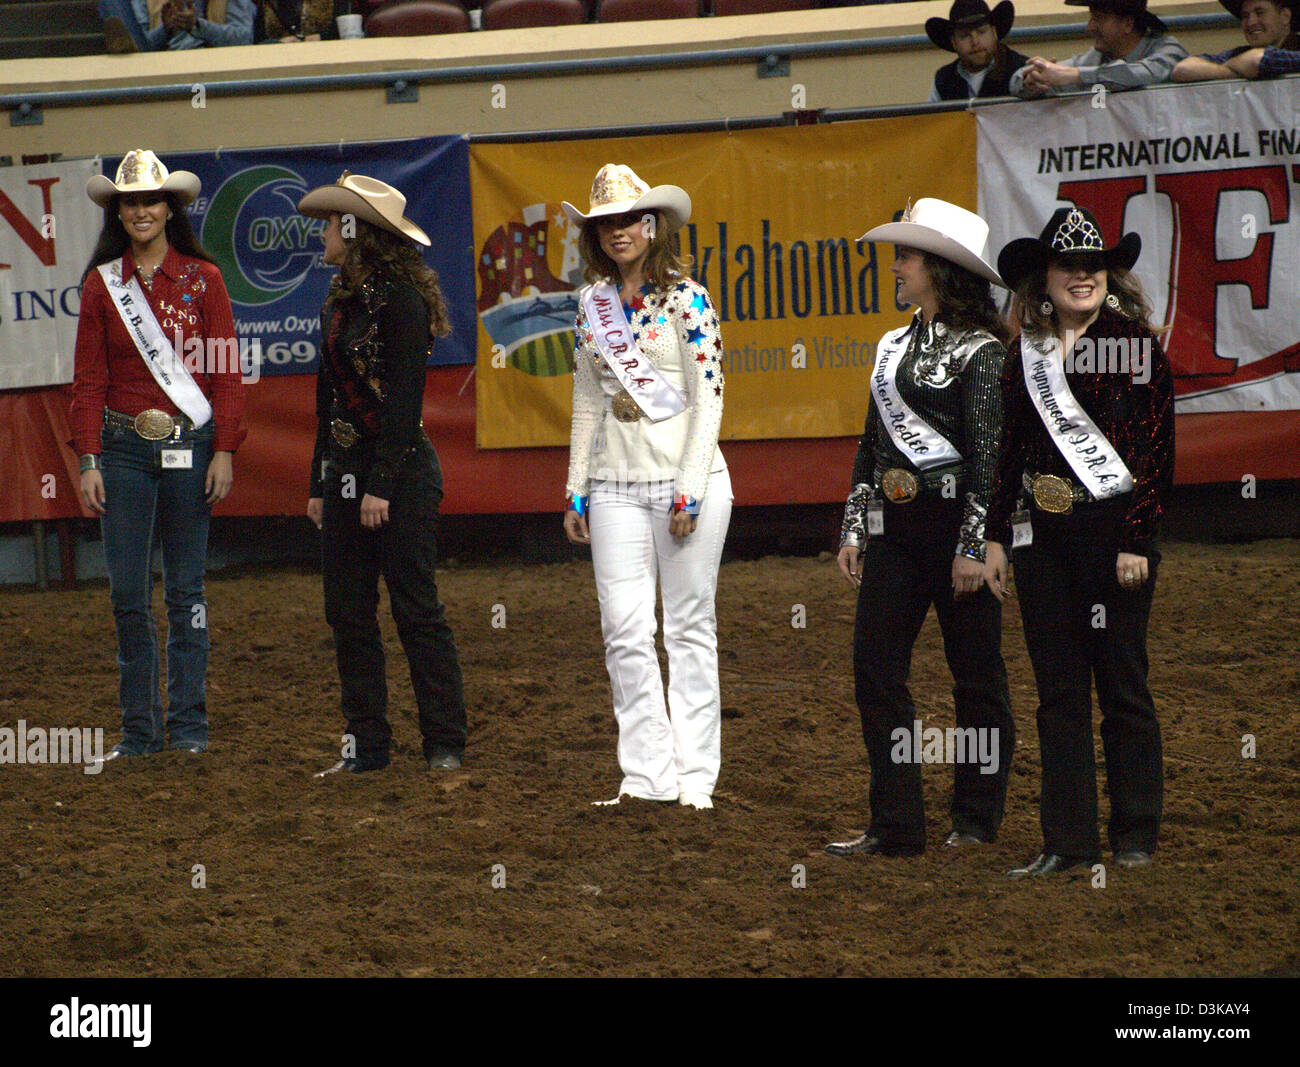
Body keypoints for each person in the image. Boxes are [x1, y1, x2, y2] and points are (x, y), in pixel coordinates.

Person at [984, 206, 1174, 877]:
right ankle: (1068, 840)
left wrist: (1136, 538)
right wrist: (996, 536)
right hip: (1044, 544)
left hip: (1114, 538)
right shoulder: (1021, 357)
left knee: (1122, 684)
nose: (1082, 276)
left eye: (1092, 265)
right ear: (1044, 278)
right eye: (1069, 266)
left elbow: (1155, 453)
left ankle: (1135, 834)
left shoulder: (1136, 346)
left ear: (1107, 274)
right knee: (1059, 692)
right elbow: (1008, 451)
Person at [825, 199, 1015, 859]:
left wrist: (973, 545)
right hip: (897, 530)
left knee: (977, 676)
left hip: (955, 524)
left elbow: (992, 457)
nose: (896, 266)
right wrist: (854, 525)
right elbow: (873, 441)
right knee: (875, 667)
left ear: (938, 266)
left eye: (905, 255)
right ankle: (897, 822)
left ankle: (975, 817)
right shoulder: (891, 345)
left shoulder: (984, 351)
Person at [562, 164, 730, 810]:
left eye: (629, 219)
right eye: (605, 224)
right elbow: (584, 396)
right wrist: (575, 484)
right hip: (615, 483)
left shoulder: (690, 301)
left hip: (686, 481)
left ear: (652, 224)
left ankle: (695, 779)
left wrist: (689, 488)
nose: (618, 232)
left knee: (688, 627)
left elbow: (709, 396)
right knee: (624, 629)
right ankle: (646, 775)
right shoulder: (589, 305)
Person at [71, 149, 246, 762]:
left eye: (150, 200)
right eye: (130, 202)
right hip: (120, 449)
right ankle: (139, 732)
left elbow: (225, 371)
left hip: (190, 446)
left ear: (170, 208)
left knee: (186, 593)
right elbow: (88, 379)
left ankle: (190, 727)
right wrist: (88, 458)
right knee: (127, 595)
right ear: (117, 212)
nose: (140, 211)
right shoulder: (102, 285)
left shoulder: (206, 279)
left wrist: (224, 448)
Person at [299, 172, 468, 776]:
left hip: (398, 476)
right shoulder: (338, 301)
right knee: (347, 612)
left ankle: (444, 742)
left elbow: (404, 404)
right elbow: (330, 398)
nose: (322, 234)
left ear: (353, 230)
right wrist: (322, 483)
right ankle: (364, 747)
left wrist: (378, 486)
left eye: (329, 224)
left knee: (415, 608)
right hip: (347, 471)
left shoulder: (399, 301)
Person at [1010, 0, 1187, 97]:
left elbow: (1142, 74)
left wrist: (1075, 75)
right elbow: (1016, 80)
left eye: (1098, 19)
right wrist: (1030, 80)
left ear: (1127, 24)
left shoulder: (1169, 52)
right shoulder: (1094, 58)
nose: (1090, 27)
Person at [927, 0, 1031, 101]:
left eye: (981, 32)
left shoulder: (1020, 68)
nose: (975, 42)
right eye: (965, 36)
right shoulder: (944, 80)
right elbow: (932, 117)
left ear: (994, 33)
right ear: (954, 42)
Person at [1172, 0, 1299, 81]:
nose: (1251, 22)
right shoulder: (1240, 55)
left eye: (1260, 13)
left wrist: (1246, 68)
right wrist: (1236, 71)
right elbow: (1183, 69)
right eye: (1245, 16)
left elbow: (1259, 60)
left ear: (1285, 16)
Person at [99, 0, 256, 54]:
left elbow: (244, 39)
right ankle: (124, 54)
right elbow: (144, 47)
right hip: (159, 64)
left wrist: (198, 25)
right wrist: (165, 30)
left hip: (216, 63)